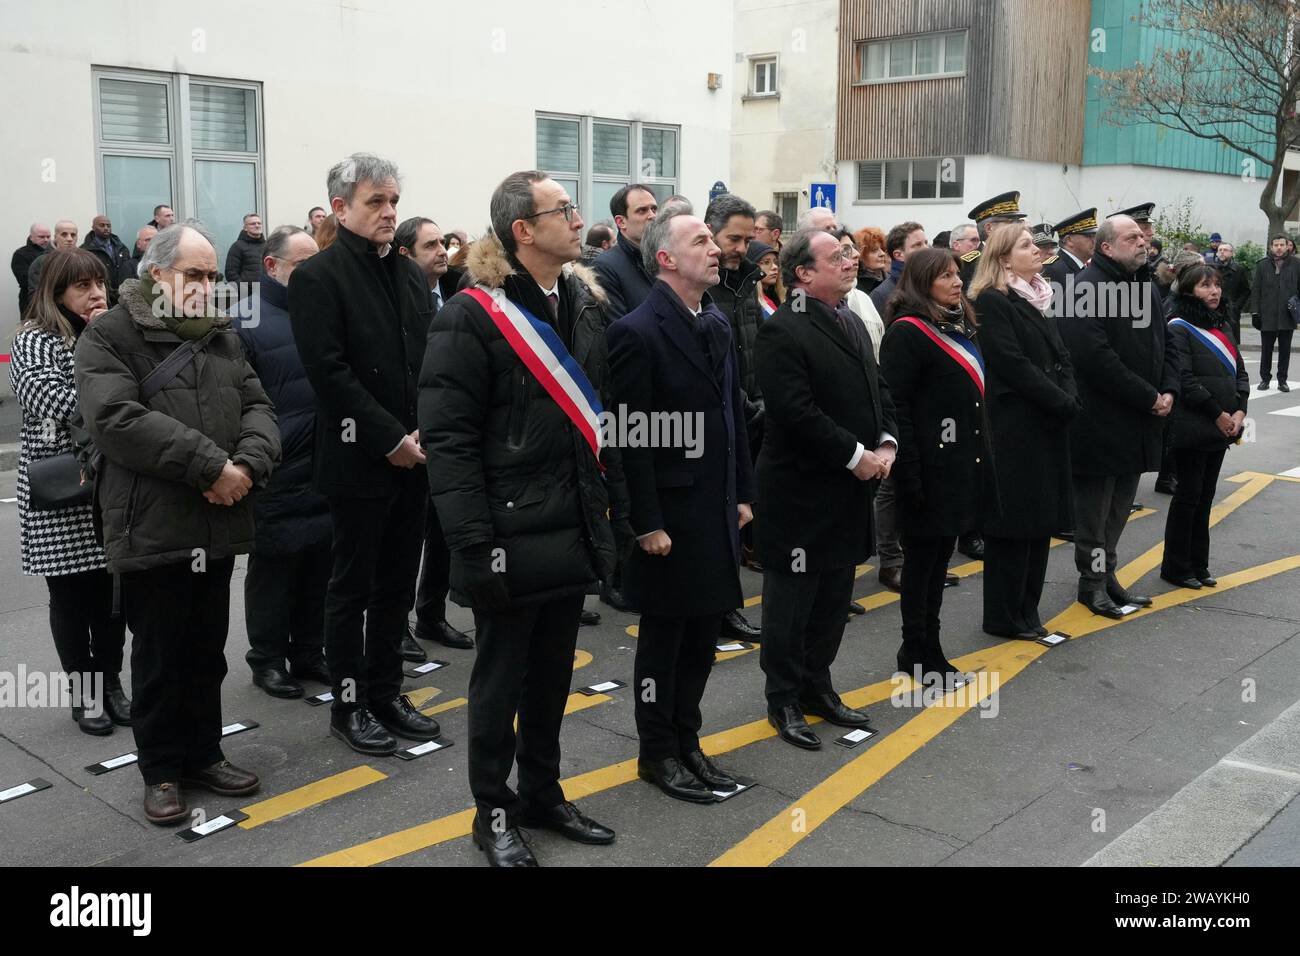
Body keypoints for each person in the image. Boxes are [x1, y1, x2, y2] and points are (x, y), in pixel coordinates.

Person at [420, 170, 617, 867]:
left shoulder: (584, 303)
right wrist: (471, 544)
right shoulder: (470, 316)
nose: (576, 218)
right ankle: (491, 812)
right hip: (505, 534)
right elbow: (449, 442)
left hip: (571, 523)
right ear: (522, 231)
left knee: (553, 674)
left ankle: (542, 791)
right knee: (499, 680)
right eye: (561, 209)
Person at [75, 220, 280, 825]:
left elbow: (260, 408)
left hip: (217, 522)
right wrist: (213, 467)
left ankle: (204, 754)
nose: (207, 286)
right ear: (157, 273)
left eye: (214, 276)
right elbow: (115, 418)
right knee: (162, 656)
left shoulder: (222, 337)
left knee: (206, 650)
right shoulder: (109, 335)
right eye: (195, 275)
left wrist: (246, 464)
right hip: (153, 527)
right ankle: (162, 770)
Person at [288, 153, 443, 756]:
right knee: (351, 587)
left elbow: (423, 364)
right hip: (359, 460)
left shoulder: (407, 274)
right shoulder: (317, 278)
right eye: (375, 202)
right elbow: (329, 374)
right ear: (340, 207)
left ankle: (386, 690)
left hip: (416, 455)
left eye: (393, 202)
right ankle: (349, 704)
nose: (388, 212)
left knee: (397, 583)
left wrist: (425, 432)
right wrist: (389, 439)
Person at [607, 208, 755, 801]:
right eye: (701, 241)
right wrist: (645, 523)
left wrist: (743, 492)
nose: (715, 249)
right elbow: (627, 436)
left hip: (714, 509)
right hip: (668, 518)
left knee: (702, 640)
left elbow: (731, 418)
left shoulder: (715, 323)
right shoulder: (635, 332)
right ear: (665, 258)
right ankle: (657, 751)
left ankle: (688, 740)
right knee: (663, 644)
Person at [755, 229, 898, 748]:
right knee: (792, 601)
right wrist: (855, 455)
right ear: (804, 274)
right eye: (837, 255)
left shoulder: (853, 320)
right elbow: (795, 412)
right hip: (800, 493)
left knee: (835, 597)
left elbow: (877, 388)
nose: (851, 259)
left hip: (848, 489)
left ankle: (819, 685)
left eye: (849, 253)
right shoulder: (784, 329)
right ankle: (784, 697)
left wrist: (885, 442)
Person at [10, 249, 129, 736]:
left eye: (99, 283)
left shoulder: (113, 332)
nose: (96, 293)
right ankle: (85, 695)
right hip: (61, 486)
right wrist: (111, 395)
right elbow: (53, 398)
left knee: (112, 595)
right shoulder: (34, 340)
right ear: (56, 293)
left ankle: (113, 686)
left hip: (111, 482)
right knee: (71, 595)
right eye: (82, 286)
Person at [1058, 215, 1178, 619]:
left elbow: (1166, 343)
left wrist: (1169, 389)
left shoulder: (1140, 284)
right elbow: (1094, 358)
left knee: (1119, 508)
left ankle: (1107, 578)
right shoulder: (1085, 289)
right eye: (1132, 237)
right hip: (1101, 423)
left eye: (1143, 237)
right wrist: (1148, 396)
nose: (1143, 242)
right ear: (1106, 247)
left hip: (1137, 420)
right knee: (1094, 515)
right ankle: (1091, 587)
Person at [879, 248, 988, 683]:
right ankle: (916, 652)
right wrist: (911, 473)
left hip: (959, 465)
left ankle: (930, 648)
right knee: (922, 567)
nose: (958, 282)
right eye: (946, 276)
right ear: (924, 282)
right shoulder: (908, 332)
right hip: (926, 469)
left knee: (940, 565)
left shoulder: (959, 326)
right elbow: (897, 407)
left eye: (958, 275)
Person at [236, 225, 332, 699]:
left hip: (326, 461)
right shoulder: (244, 321)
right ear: (271, 267)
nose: (315, 272)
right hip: (276, 466)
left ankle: (310, 651)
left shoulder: (324, 312)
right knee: (274, 567)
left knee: (320, 563)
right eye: (303, 264)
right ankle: (268, 658)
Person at [969, 226, 1079, 639]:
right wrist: (1059, 400)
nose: (1038, 251)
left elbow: (1060, 354)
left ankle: (1028, 611)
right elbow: (1013, 364)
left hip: (1046, 424)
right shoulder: (992, 301)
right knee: (1014, 525)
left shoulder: (1039, 295)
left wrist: (1069, 393)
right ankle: (1004, 615)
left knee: (1039, 522)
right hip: (1015, 428)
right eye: (1027, 246)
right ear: (1002, 259)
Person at [394, 215, 474, 652]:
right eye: (430, 246)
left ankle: (432, 614)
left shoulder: (458, 293)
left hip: (450, 430)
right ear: (406, 254)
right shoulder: (399, 301)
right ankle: (397, 624)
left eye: (443, 242)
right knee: (408, 537)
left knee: (444, 531)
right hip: (413, 431)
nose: (443, 250)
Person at [1161, 264, 1249, 589]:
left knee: (1206, 496)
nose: (1214, 291)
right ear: (1188, 290)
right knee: (1189, 496)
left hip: (1222, 426)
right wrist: (1217, 413)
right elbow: (1184, 377)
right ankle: (1175, 566)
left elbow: (1239, 372)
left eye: (1216, 285)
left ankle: (1199, 564)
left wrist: (1240, 411)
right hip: (1193, 425)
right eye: (1204, 286)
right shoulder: (1178, 327)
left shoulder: (1223, 324)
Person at [703, 194, 765, 637]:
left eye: (747, 239)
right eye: (733, 238)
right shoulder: (703, 283)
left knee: (742, 511)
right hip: (722, 413)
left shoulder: (747, 279)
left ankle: (726, 601)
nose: (741, 248)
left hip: (752, 410)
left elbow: (753, 342)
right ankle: (721, 607)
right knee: (720, 517)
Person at [592, 183, 658, 320]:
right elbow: (620, 330)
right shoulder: (604, 268)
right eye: (642, 210)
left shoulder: (665, 259)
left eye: (654, 209)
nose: (652, 216)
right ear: (621, 222)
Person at [1249, 234, 1299, 392]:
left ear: (1287, 246)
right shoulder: (1262, 265)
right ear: (1271, 247)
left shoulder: (1297, 264)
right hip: (1267, 315)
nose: (1279, 248)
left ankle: (1282, 380)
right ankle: (1265, 379)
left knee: (1285, 351)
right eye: (1275, 245)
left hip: (1287, 315)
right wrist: (1255, 313)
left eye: (1282, 245)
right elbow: (1256, 290)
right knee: (1266, 350)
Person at [959, 192, 1028, 288]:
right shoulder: (968, 265)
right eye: (1011, 222)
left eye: (1019, 221)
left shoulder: (1023, 256)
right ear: (989, 229)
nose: (1018, 227)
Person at [835, 228, 885, 358]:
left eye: (854, 247)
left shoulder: (863, 298)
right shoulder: (826, 301)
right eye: (846, 249)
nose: (856, 254)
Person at [870, 221, 926, 313]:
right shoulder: (882, 295)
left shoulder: (931, 285)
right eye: (918, 245)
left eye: (926, 243)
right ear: (899, 255)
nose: (926, 248)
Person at [1042, 208, 1097, 289]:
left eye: (1095, 236)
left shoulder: (1086, 267)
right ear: (1069, 240)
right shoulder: (1052, 270)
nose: (1094, 241)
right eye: (1089, 236)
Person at [80, 216, 133, 298]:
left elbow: (129, 270)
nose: (106, 228)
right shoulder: (85, 251)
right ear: (93, 227)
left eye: (108, 226)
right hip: (101, 295)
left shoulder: (121, 248)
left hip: (123, 295)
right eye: (102, 225)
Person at [27, 220, 79, 297]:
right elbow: (36, 295)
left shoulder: (84, 260)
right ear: (55, 237)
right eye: (64, 235)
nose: (69, 239)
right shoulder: (41, 262)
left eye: (73, 235)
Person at [1212, 242, 1250, 343]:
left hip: (1231, 311)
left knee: (1231, 342)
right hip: (1214, 310)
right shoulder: (1212, 269)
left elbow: (1245, 291)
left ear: (1232, 253)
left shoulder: (1238, 269)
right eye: (1220, 250)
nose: (1222, 252)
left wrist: (1236, 307)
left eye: (1225, 250)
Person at [12, 222, 50, 315]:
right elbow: (25, 281)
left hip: (52, 301)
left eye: (48, 237)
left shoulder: (54, 253)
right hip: (31, 303)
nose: (46, 240)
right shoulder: (20, 254)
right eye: (41, 237)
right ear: (31, 237)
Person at [224, 213, 265, 284]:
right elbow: (230, 273)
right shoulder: (237, 246)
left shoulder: (268, 246)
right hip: (246, 293)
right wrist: (244, 289)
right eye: (253, 224)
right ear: (245, 228)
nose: (257, 226)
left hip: (266, 291)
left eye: (259, 223)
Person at [746, 239, 782, 319]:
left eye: (776, 262)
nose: (775, 267)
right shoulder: (751, 303)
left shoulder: (777, 296)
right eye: (766, 262)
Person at [854, 226, 889, 296]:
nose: (882, 254)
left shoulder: (893, 280)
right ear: (860, 255)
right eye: (874, 250)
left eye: (882, 249)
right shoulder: (855, 287)